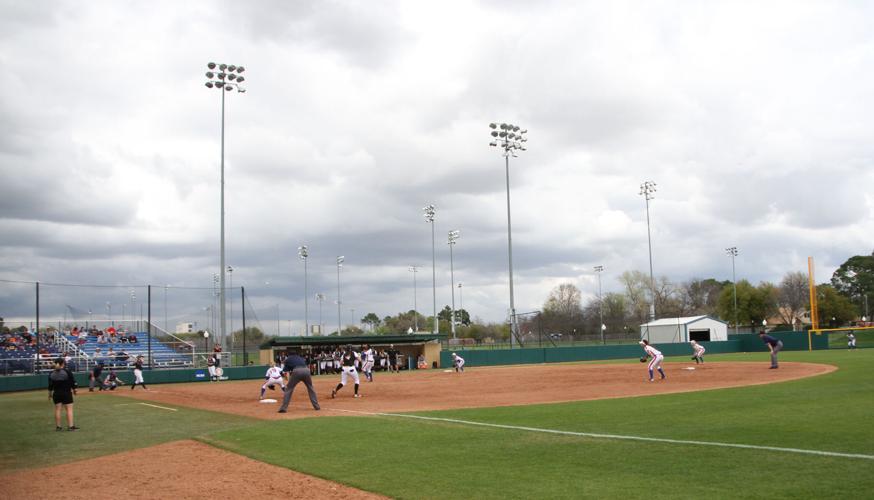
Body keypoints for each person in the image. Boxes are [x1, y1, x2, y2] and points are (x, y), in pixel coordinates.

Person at [48, 357, 79, 431]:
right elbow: (72, 382)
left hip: (56, 394)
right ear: (63, 364)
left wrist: (49, 394)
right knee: (69, 410)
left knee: (58, 410)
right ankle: (70, 427)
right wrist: (75, 390)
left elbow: (50, 386)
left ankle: (58, 427)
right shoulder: (67, 372)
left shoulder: (51, 373)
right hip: (66, 393)